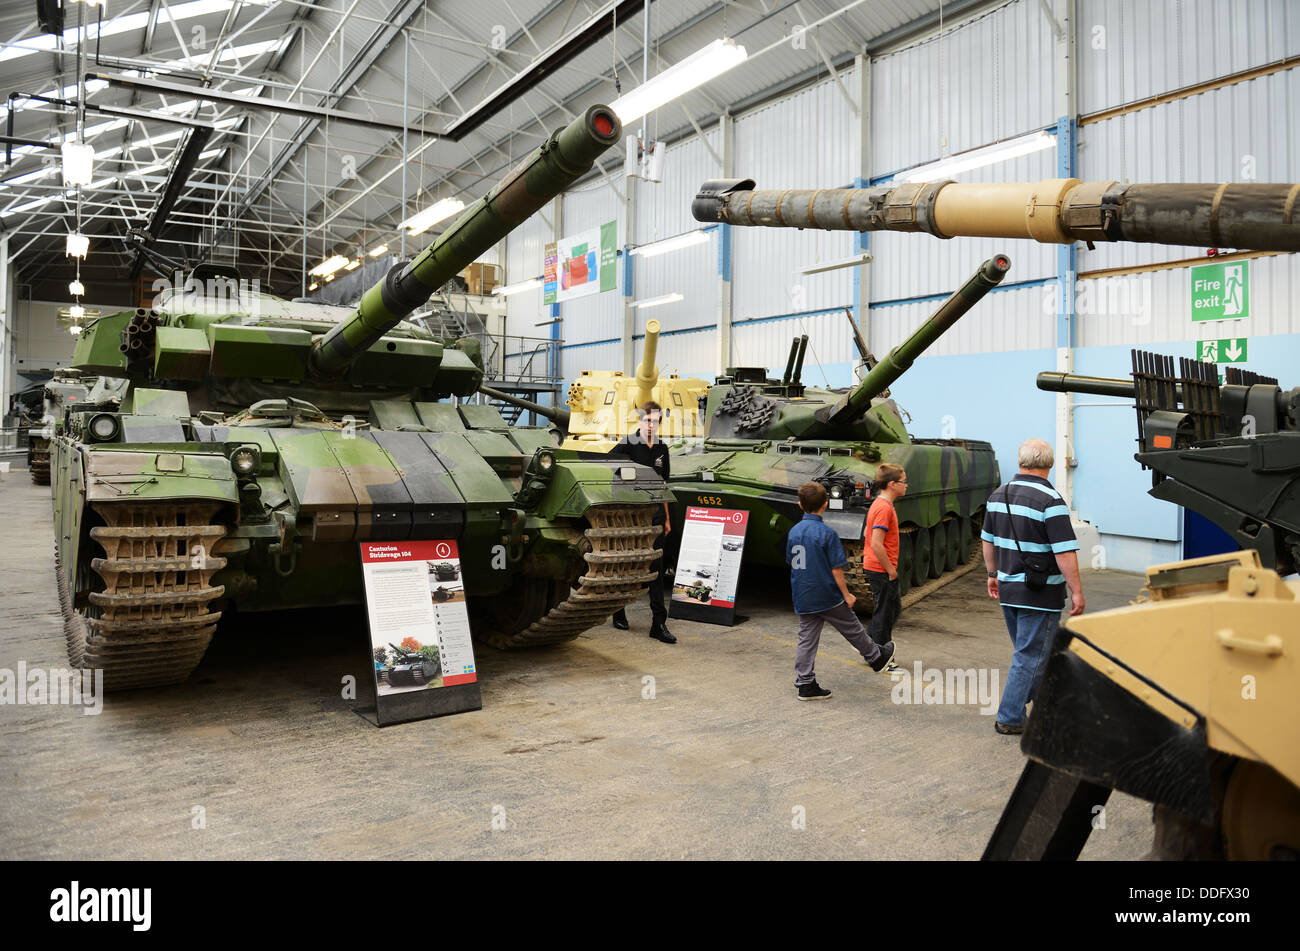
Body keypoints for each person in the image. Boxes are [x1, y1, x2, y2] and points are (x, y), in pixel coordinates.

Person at [982, 438, 1085, 735]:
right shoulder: (1051, 502)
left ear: (1020, 463)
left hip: (1008, 589)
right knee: (1030, 655)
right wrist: (1076, 590)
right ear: (1051, 465)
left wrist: (993, 574)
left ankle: (1046, 706)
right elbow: (1064, 552)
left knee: (1033, 652)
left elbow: (987, 541)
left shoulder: (997, 495)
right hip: (1040, 594)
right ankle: (1010, 717)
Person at [786, 481, 896, 700]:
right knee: (852, 628)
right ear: (825, 505)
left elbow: (792, 561)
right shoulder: (827, 533)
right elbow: (837, 570)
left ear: (799, 504)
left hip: (803, 595)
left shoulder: (794, 531)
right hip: (827, 595)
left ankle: (805, 683)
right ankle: (876, 657)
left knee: (806, 639)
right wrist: (847, 594)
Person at [610, 401, 675, 644]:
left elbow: (663, 484)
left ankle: (659, 623)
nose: (651, 425)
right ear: (640, 421)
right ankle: (618, 610)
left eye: (656, 421)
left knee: (655, 568)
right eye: (647, 421)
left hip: (655, 514)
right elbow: (608, 470)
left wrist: (666, 517)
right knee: (626, 564)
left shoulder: (662, 448)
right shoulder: (627, 444)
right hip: (631, 514)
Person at [861, 463, 906, 673]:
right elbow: (876, 543)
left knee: (892, 608)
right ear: (892, 484)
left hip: (877, 566)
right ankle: (881, 656)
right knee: (885, 613)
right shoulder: (884, 508)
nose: (906, 485)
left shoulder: (880, 505)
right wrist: (890, 569)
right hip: (881, 568)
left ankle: (868, 644)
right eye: (903, 482)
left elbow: (866, 536)